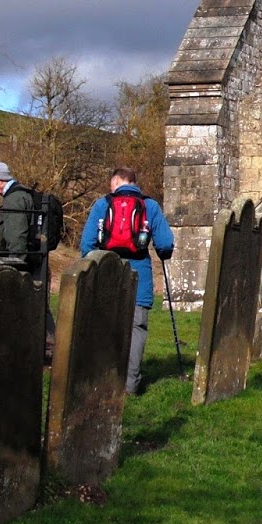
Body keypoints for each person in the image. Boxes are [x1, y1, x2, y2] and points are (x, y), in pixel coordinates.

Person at [80, 166, 174, 395]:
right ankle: (130, 386)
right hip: (139, 275)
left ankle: (102, 382)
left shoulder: (102, 204)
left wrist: (97, 267)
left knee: (104, 327)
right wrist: (162, 253)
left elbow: (86, 244)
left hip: (107, 274)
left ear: (118, 182)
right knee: (136, 329)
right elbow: (164, 243)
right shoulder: (149, 206)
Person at [0, 160, 56, 345]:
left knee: (31, 305)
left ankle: (44, 346)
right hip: (33, 258)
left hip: (24, 261)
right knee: (38, 304)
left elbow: (17, 235)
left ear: (3, 178)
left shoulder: (15, 198)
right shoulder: (21, 195)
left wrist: (15, 265)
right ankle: (48, 345)